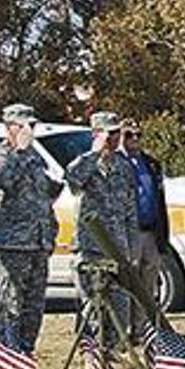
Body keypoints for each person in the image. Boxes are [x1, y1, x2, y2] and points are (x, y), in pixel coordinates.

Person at [0, 103, 61, 353]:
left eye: (33, 126)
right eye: (25, 125)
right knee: (11, 309)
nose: (30, 130)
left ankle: (24, 357)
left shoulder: (33, 157)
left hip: (37, 243)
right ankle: (5, 362)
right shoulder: (1, 155)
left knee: (33, 308)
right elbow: (5, 181)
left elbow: (42, 195)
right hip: (10, 245)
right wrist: (19, 151)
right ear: (10, 128)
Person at [65, 111, 138, 352]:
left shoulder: (123, 166)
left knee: (120, 307)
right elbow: (73, 180)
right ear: (96, 134)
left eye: (117, 133)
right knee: (93, 307)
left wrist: (132, 248)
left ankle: (112, 351)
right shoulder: (84, 163)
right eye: (110, 133)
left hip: (118, 248)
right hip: (91, 248)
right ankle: (92, 355)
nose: (115, 138)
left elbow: (129, 211)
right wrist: (96, 151)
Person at [120, 119, 169, 338]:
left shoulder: (150, 163)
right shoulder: (117, 163)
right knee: (129, 282)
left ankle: (142, 329)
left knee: (148, 283)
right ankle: (123, 330)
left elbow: (158, 199)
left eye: (138, 135)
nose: (135, 139)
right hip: (129, 232)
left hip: (150, 231)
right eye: (129, 135)